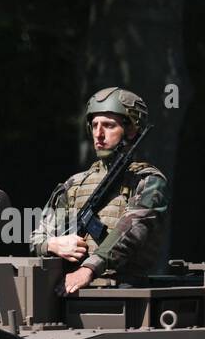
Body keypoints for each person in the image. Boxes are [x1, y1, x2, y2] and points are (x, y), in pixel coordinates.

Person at [30, 87, 169, 295]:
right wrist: (54, 244)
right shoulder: (74, 184)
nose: (99, 134)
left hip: (123, 294)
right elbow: (37, 238)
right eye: (94, 125)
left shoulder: (147, 181)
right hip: (69, 290)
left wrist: (89, 268)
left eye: (108, 125)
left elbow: (130, 231)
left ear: (131, 130)